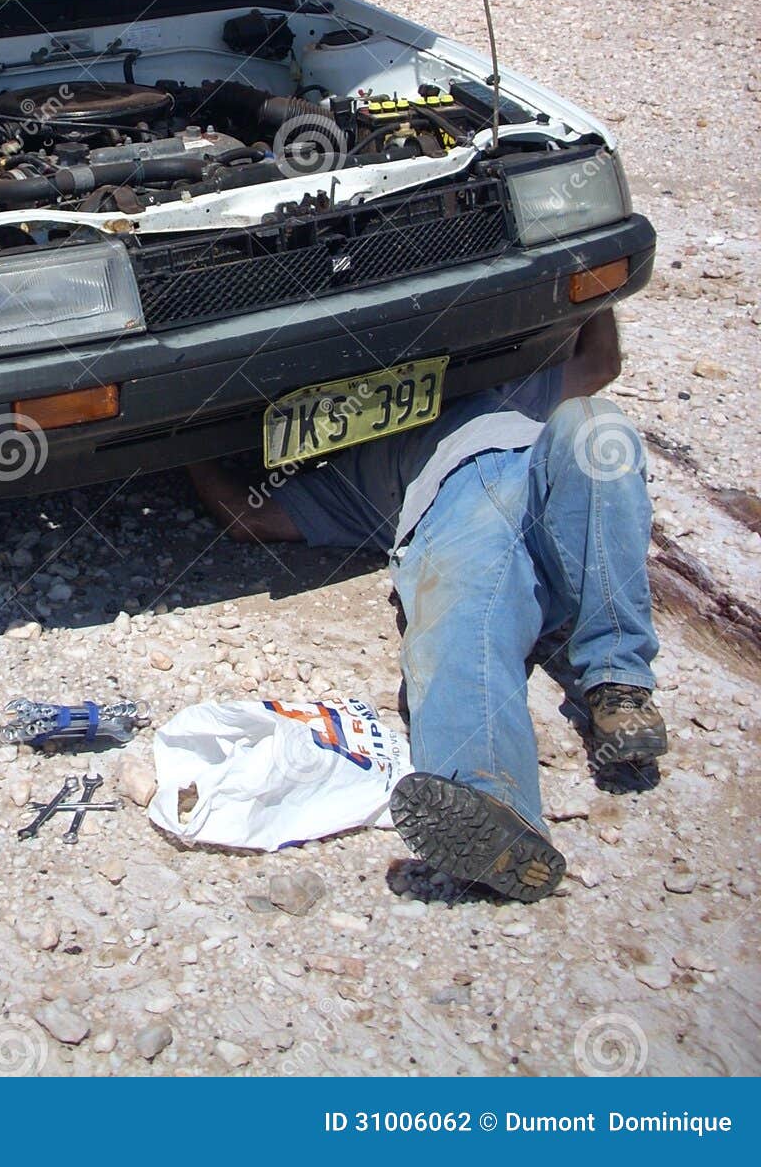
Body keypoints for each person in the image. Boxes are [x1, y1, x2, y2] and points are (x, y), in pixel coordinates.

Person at [188, 309, 666, 903]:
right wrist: (187, 445)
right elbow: (249, 516)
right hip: (456, 527)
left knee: (597, 427)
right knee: (457, 624)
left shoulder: (506, 390)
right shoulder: (351, 464)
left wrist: (597, 287)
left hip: (556, 493)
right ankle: (495, 812)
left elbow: (600, 364)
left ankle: (619, 687)